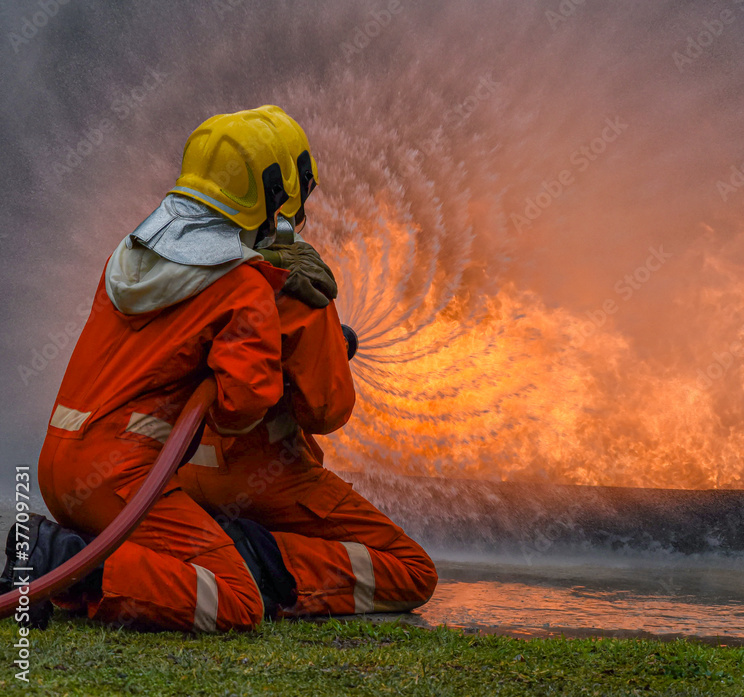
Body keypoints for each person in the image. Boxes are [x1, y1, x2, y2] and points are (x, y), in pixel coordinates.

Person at [2, 106, 436, 631]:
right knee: (238, 600)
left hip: (67, 462)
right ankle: (67, 566)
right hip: (134, 479)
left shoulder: (131, 256)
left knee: (216, 566)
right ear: (274, 203)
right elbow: (294, 409)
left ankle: (95, 556)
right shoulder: (256, 283)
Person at [178, 105, 438, 619]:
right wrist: (321, 351)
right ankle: (257, 564)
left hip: (181, 476)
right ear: (283, 193)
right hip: (268, 480)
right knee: (412, 571)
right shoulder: (296, 281)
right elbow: (327, 411)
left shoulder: (167, 265)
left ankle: (206, 552)